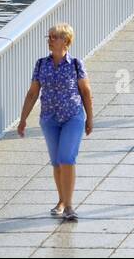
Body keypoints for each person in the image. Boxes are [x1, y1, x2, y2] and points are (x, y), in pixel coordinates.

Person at [16, 23, 93, 222]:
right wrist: (23, 118)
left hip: (72, 116)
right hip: (49, 118)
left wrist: (90, 118)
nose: (49, 41)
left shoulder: (76, 64)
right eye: (49, 37)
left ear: (66, 41)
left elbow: (85, 91)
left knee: (67, 158)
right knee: (57, 162)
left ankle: (69, 206)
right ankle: (61, 200)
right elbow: (33, 93)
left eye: (54, 37)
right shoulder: (41, 64)